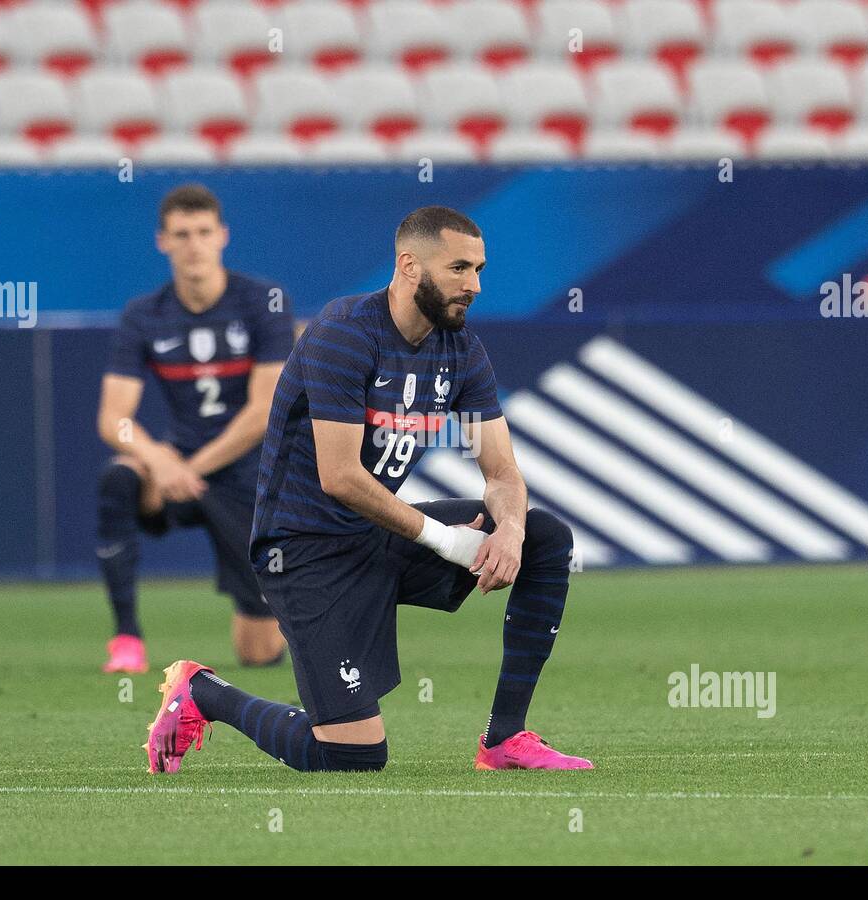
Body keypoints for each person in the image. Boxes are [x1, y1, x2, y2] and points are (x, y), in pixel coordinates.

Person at [143, 205, 592, 773]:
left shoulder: (461, 351)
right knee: (352, 755)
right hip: (305, 551)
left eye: (479, 269)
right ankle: (204, 692)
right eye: (458, 268)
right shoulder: (344, 334)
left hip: (378, 535)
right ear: (409, 266)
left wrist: (510, 529)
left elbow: (501, 473)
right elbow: (341, 478)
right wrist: (448, 542)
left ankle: (504, 739)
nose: (473, 285)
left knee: (545, 538)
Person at [95, 184, 292, 674]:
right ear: (162, 241)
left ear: (222, 235)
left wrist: (188, 468)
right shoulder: (144, 315)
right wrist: (159, 460)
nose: (194, 244)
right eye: (181, 234)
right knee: (119, 479)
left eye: (204, 232)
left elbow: (264, 411)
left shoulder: (263, 301)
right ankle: (126, 639)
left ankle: (285, 619)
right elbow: (113, 418)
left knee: (258, 653)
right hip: (176, 469)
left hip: (250, 475)